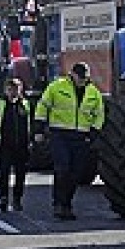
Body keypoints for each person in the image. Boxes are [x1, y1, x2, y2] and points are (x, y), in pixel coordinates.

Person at [34, 62, 104, 220]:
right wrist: (39, 129)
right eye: (80, 77)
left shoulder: (93, 92)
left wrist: (94, 132)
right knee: (62, 168)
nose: (82, 81)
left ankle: (67, 203)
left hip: (81, 137)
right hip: (60, 135)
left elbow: (99, 114)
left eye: (84, 78)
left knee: (75, 173)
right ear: (72, 74)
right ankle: (59, 204)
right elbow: (43, 106)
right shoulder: (56, 87)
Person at [0, 77, 32, 212]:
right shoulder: (0, 103)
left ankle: (17, 199)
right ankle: (3, 198)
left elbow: (31, 122)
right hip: (5, 144)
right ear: (6, 90)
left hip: (22, 145)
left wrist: (31, 141)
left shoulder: (26, 104)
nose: (13, 92)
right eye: (10, 89)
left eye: (16, 89)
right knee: (4, 172)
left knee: (20, 174)